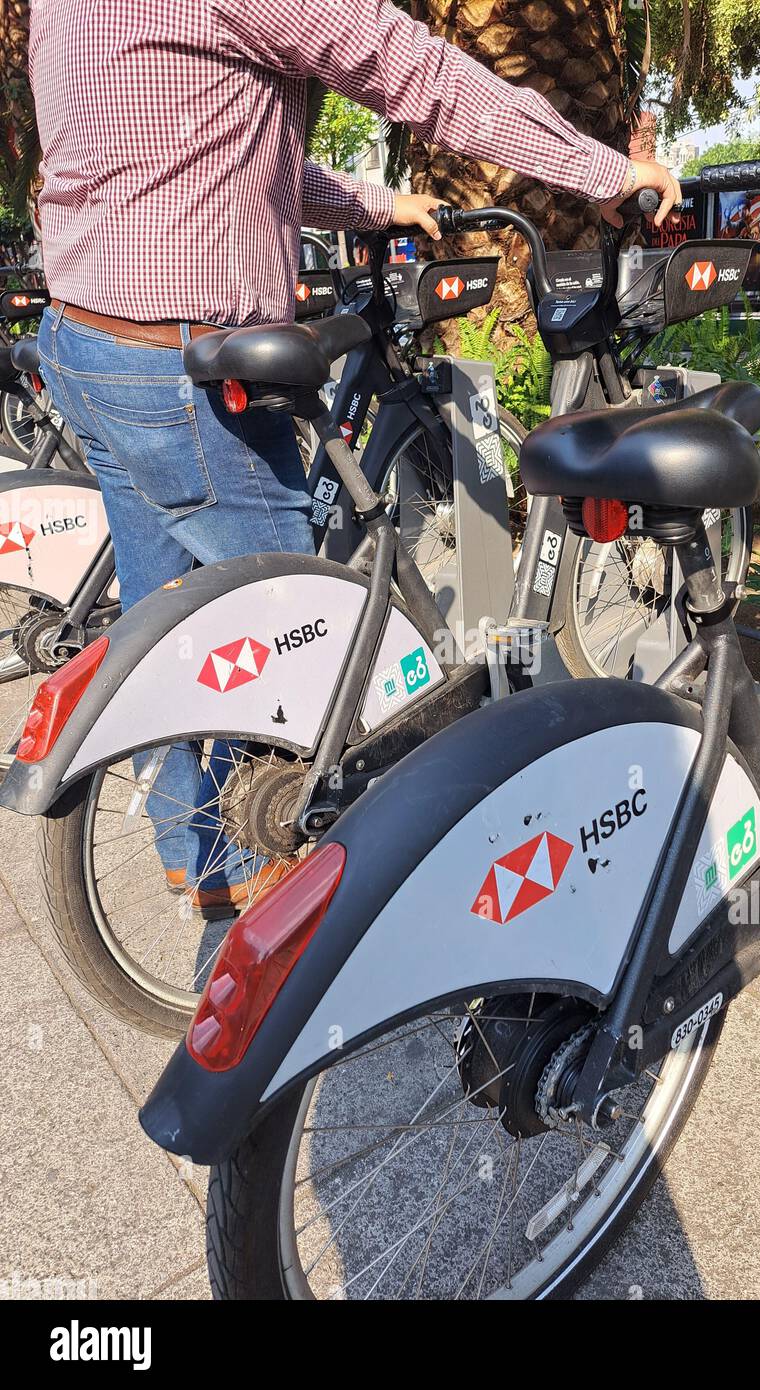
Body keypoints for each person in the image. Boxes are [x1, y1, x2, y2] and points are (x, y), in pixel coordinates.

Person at [29, 0, 680, 910]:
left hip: (89, 345)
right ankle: (301, 896)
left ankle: (192, 846)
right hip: (183, 360)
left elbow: (221, 156)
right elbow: (420, 73)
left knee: (171, 613)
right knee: (298, 622)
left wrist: (379, 203)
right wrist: (603, 170)